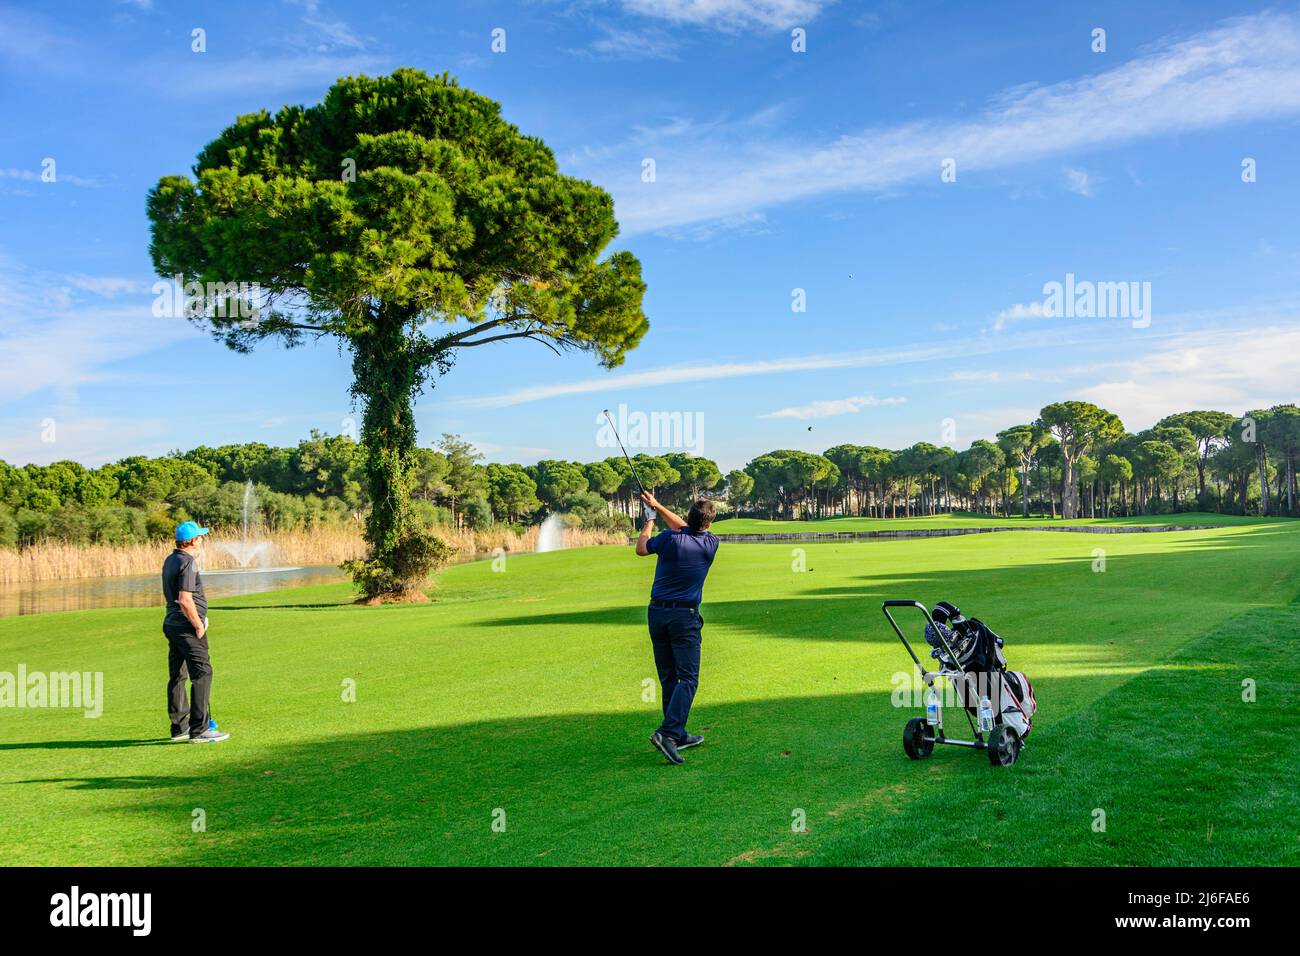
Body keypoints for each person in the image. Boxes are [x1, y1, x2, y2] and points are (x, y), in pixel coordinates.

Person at [636, 491, 718, 765]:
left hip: (657, 614)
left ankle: (678, 734)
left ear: (689, 517)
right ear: (708, 524)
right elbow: (684, 527)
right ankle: (668, 733)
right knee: (688, 678)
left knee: (670, 677)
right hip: (684, 618)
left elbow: (641, 548)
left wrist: (650, 517)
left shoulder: (671, 539)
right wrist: (657, 507)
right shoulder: (710, 544)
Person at [162, 521, 229, 743]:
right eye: (199, 537)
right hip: (186, 626)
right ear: (191, 541)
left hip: (172, 624)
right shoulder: (187, 562)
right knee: (202, 673)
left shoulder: (171, 559)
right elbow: (184, 598)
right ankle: (199, 730)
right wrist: (198, 624)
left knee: (179, 675)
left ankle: (179, 727)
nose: (202, 541)